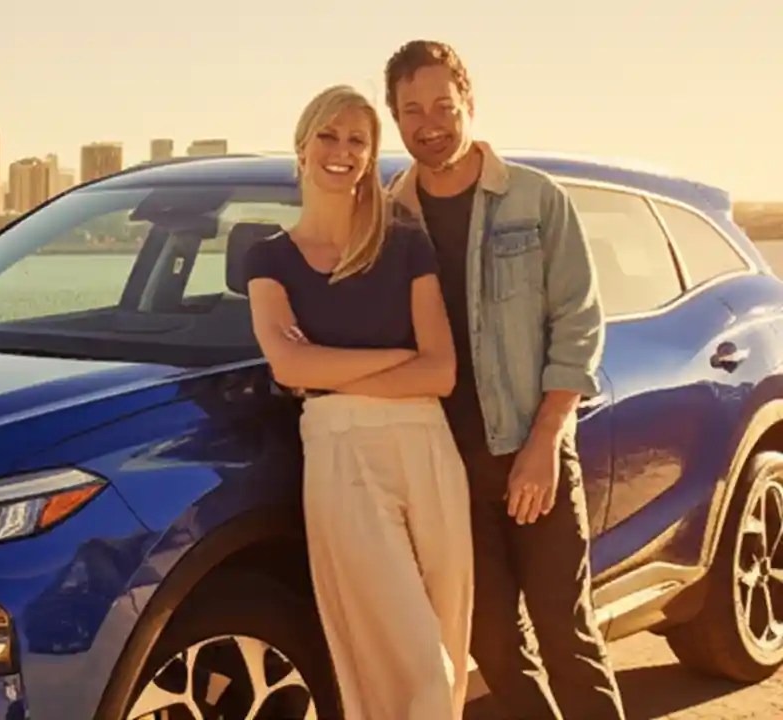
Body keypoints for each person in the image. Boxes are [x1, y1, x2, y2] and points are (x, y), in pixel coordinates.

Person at [381, 39, 627, 719]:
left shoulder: (534, 200)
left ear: (468, 102)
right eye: (411, 110)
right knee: (490, 644)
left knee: (564, 634)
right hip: (446, 472)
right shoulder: (389, 216)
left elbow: (578, 325)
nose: (430, 123)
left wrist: (546, 442)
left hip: (531, 451)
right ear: (395, 118)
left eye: (442, 105)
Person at [243, 84, 473, 720]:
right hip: (343, 457)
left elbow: (444, 372)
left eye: (356, 141)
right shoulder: (269, 259)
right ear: (303, 144)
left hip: (428, 447)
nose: (341, 151)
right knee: (416, 660)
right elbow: (288, 363)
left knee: (448, 643)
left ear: (371, 157)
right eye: (329, 135)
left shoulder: (404, 244)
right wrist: (398, 361)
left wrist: (328, 367)